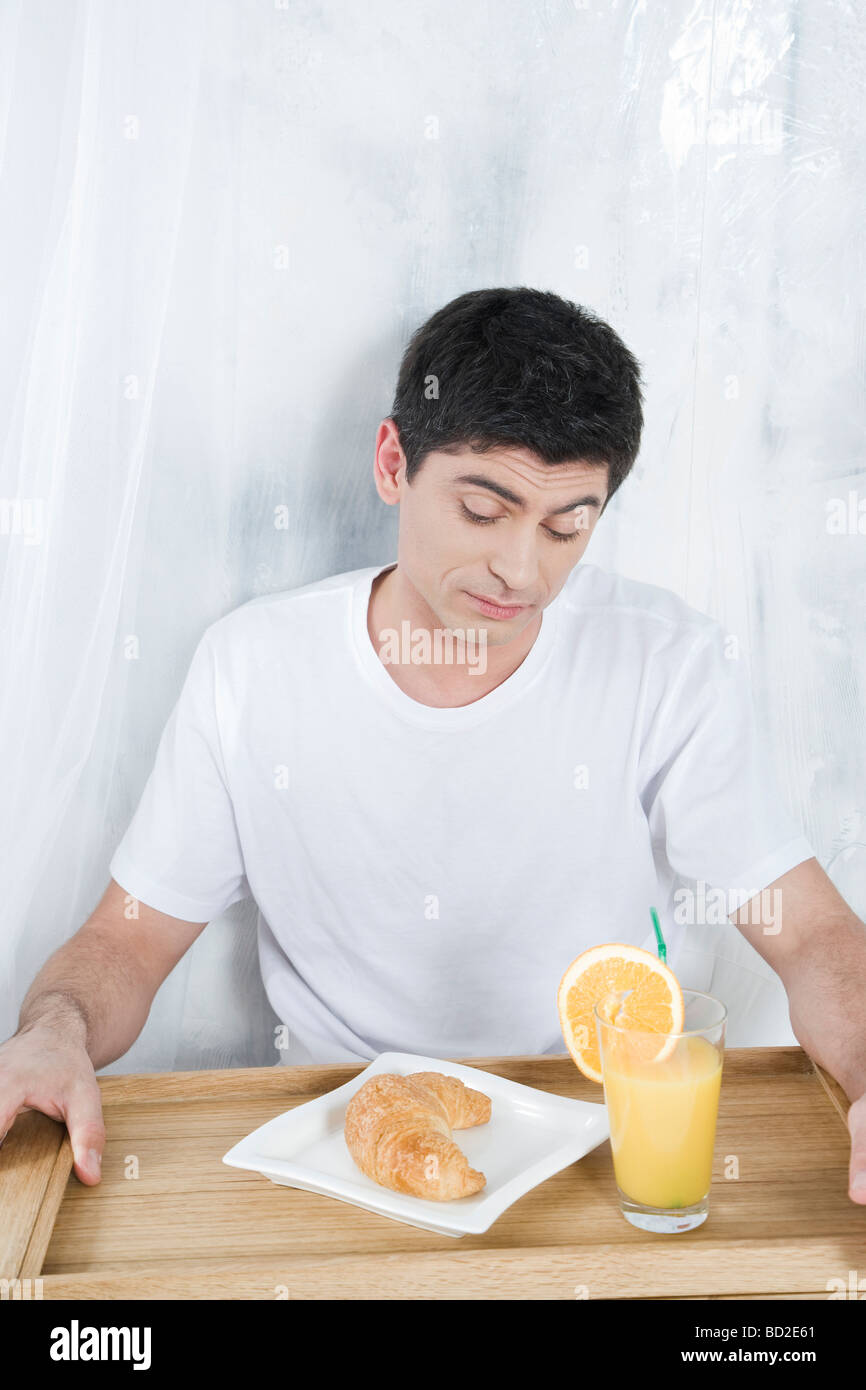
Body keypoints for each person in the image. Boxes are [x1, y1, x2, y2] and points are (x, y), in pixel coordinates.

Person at [2, 288, 865, 1203]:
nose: (522, 571)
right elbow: (126, 945)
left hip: (595, 1141)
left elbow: (811, 934)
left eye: (568, 525)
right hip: (336, 1143)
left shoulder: (665, 663)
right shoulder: (251, 667)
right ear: (391, 463)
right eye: (485, 511)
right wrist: (54, 1030)